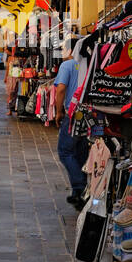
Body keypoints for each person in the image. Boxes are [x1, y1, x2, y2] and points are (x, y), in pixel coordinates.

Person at [55, 38, 87, 205]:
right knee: (80, 152)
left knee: (65, 151)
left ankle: (80, 185)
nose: (62, 52)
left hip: (73, 113)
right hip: (88, 114)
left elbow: (61, 89)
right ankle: (78, 191)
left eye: (63, 49)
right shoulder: (88, 63)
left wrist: (59, 112)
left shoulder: (67, 66)